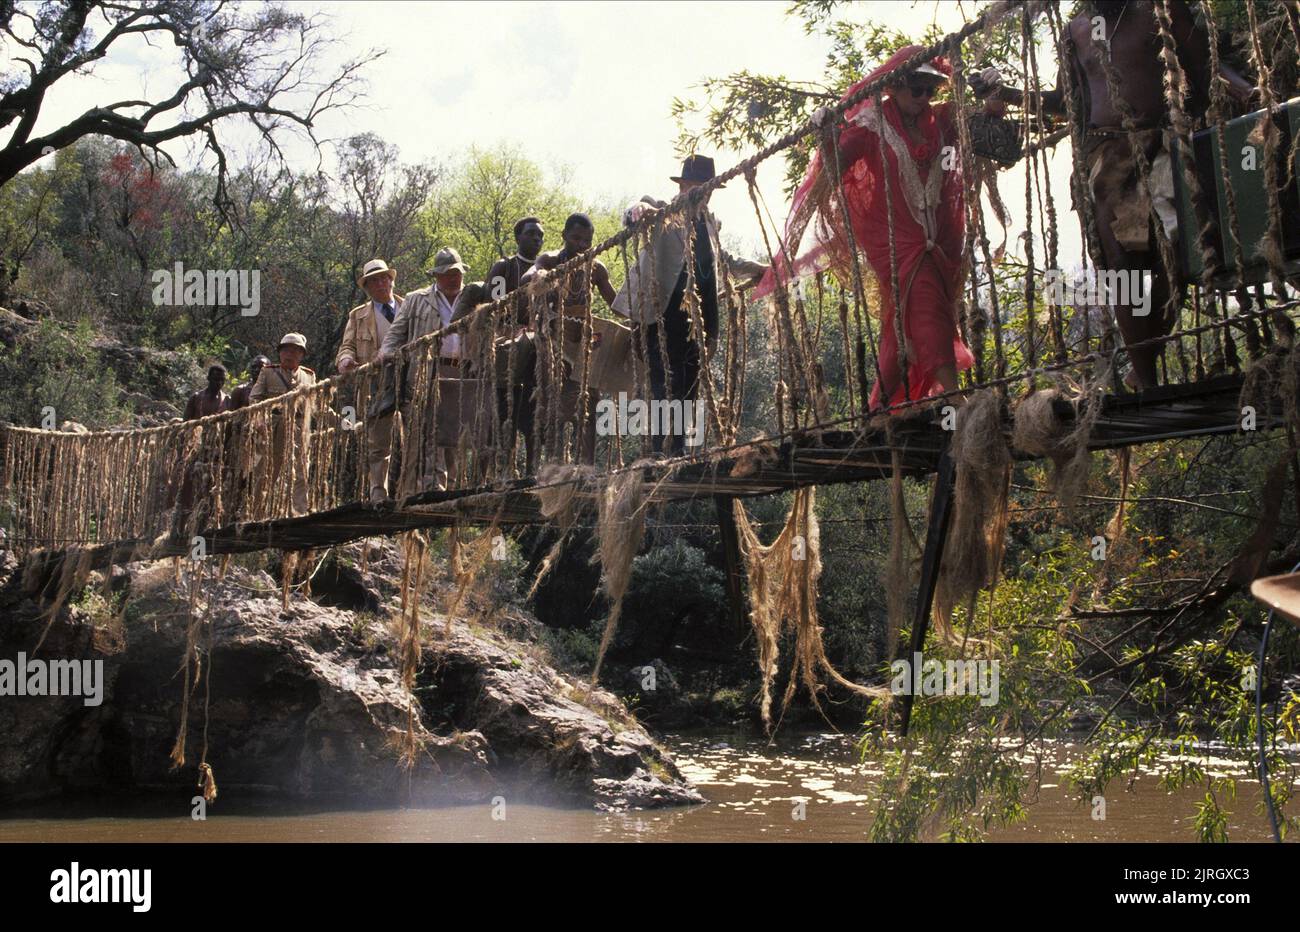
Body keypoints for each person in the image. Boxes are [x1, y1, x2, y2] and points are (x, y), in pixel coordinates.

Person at [971, 0, 1255, 389]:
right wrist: (1007, 92)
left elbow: (1204, 66)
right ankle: (1146, 376)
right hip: (1109, 159)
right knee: (1124, 263)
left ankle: (1142, 370)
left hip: (1166, 147)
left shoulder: (1161, 10)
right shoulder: (1076, 31)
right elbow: (1066, 102)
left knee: (1172, 256)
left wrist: (1246, 91)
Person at [761, 47, 984, 411]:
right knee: (926, 304)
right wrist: (826, 136)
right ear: (894, 86)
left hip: (942, 240)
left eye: (932, 88)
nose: (925, 96)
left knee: (901, 329)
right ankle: (952, 394)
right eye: (917, 87)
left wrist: (992, 100)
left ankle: (878, 407)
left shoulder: (942, 122)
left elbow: (986, 140)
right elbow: (833, 171)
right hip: (897, 242)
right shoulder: (870, 126)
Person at [612, 156, 766, 454]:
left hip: (696, 316)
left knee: (690, 381)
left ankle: (678, 448)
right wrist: (638, 211)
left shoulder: (710, 222)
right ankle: (657, 449)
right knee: (661, 377)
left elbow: (724, 260)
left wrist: (758, 269)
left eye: (705, 189)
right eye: (694, 187)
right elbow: (634, 213)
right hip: (661, 310)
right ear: (682, 187)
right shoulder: (661, 209)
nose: (699, 193)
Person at [522, 213, 619, 463]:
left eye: (587, 240)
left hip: (584, 344)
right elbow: (528, 277)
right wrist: (544, 278)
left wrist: (646, 317)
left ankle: (585, 466)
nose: (582, 245)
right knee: (552, 399)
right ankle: (553, 464)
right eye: (576, 238)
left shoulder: (596, 268)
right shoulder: (551, 260)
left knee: (587, 402)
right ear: (564, 235)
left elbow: (616, 303)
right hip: (554, 340)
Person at [378, 247, 468, 492]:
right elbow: (398, 329)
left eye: (456, 273)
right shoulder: (417, 299)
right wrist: (386, 350)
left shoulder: (473, 296)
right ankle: (425, 487)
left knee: (455, 432)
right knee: (424, 430)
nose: (453, 278)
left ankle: (451, 490)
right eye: (447, 273)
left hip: (461, 371)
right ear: (436, 276)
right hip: (426, 370)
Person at [337, 259, 405, 502]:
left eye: (383, 278)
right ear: (367, 287)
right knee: (378, 439)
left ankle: (412, 489)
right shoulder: (357, 316)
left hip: (407, 377)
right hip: (374, 381)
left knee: (416, 433)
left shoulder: (409, 307)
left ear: (391, 280)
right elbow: (347, 346)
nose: (380, 283)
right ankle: (378, 491)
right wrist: (345, 360)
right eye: (374, 280)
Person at [250, 332, 316, 516]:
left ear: (301, 355)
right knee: (266, 471)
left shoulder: (309, 376)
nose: (289, 354)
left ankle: (299, 514)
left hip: (299, 428)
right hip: (274, 428)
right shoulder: (268, 372)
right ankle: (257, 514)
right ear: (280, 353)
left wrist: (345, 422)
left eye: (294, 351)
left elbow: (319, 406)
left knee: (302, 470)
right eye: (285, 350)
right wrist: (260, 420)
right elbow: (254, 399)